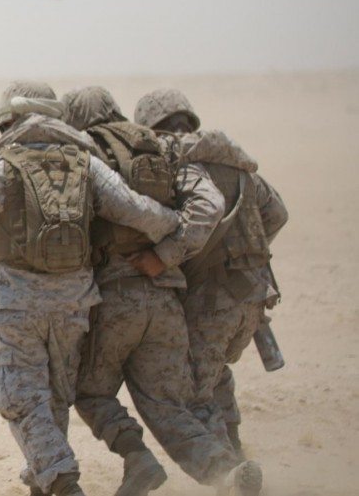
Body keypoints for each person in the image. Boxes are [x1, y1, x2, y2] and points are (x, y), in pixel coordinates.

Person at [0, 82, 181, 496]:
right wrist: (177, 230)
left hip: (19, 301)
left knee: (17, 391)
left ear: (8, 119)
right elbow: (138, 212)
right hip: (76, 300)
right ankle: (45, 482)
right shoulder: (85, 162)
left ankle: (61, 481)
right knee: (57, 394)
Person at [62, 86, 250, 495]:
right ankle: (228, 472)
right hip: (165, 299)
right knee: (168, 403)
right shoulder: (156, 149)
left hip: (115, 300)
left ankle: (137, 459)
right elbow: (208, 206)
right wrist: (166, 255)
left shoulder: (84, 157)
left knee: (89, 392)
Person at [134, 89, 289, 495]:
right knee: (217, 374)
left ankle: (229, 472)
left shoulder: (181, 163)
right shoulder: (236, 164)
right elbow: (277, 212)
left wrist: (167, 255)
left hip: (212, 299)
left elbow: (207, 210)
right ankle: (237, 449)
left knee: (193, 391)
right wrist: (245, 252)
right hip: (254, 295)